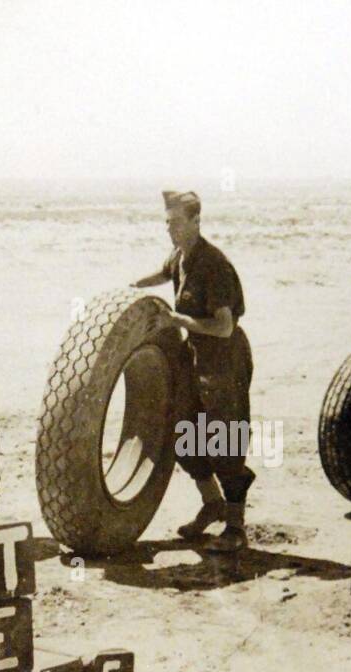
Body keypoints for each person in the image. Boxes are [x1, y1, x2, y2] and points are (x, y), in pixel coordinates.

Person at [132, 191, 254, 553]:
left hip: (224, 360)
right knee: (184, 434)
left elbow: (224, 327)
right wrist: (133, 290)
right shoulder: (181, 256)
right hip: (196, 356)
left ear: (196, 222)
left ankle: (235, 528)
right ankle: (211, 504)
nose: (168, 228)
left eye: (175, 222)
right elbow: (163, 272)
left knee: (223, 439)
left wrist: (176, 320)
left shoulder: (213, 265)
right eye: (167, 221)